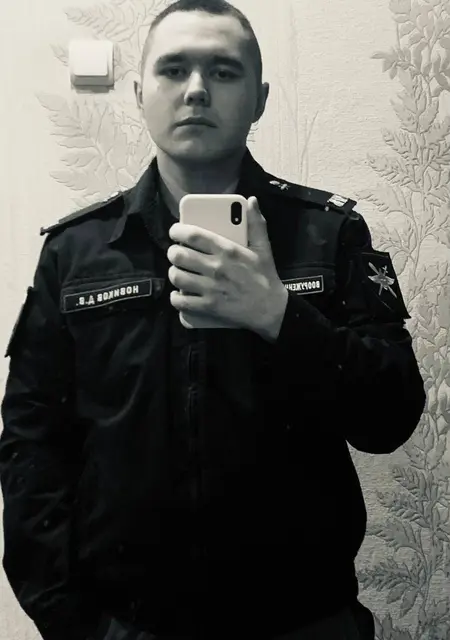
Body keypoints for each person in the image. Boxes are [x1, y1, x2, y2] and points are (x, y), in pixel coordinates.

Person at [0, 0, 426, 639]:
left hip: (306, 620)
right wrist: (72, 621)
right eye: (174, 70)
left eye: (224, 72)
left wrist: (278, 314)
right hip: (125, 625)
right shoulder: (76, 251)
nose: (196, 90)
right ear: (140, 94)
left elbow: (389, 418)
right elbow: (31, 447)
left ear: (260, 99)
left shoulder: (329, 234)